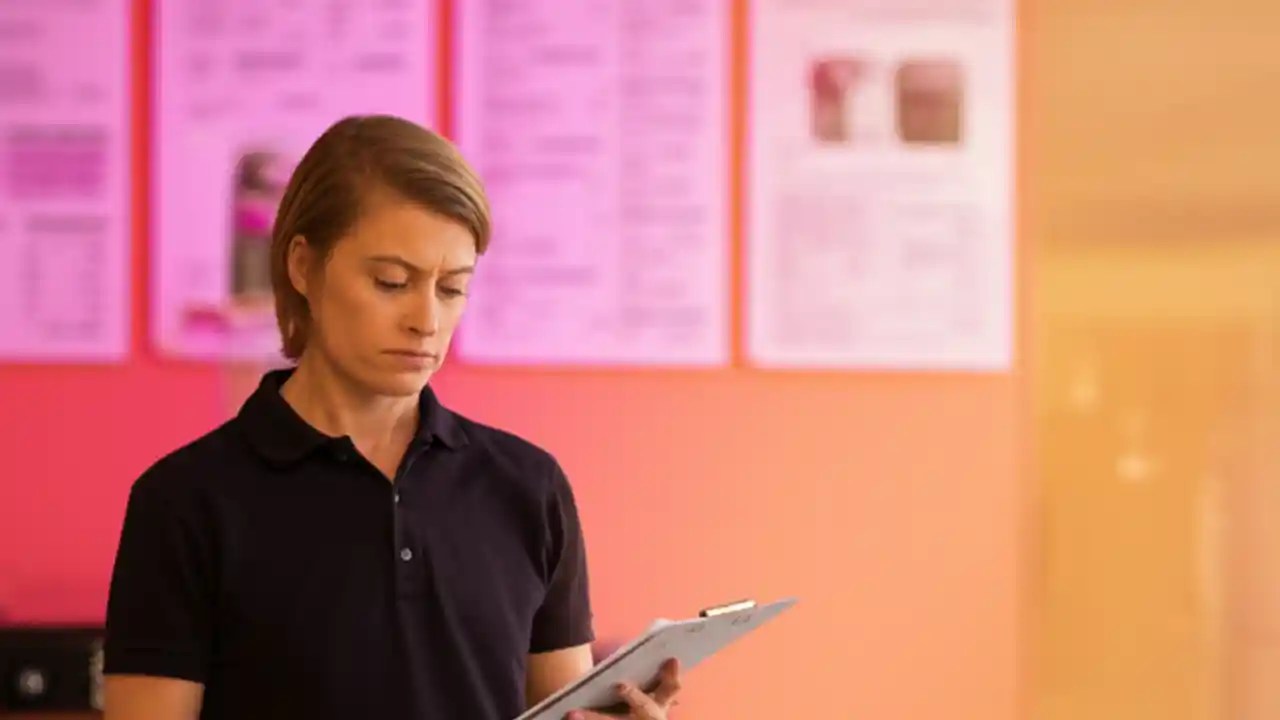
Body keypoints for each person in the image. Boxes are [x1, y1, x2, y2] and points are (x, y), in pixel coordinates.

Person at [102, 115, 682, 720]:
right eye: (392, 282)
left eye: (452, 288)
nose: (426, 321)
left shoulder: (529, 488)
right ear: (304, 267)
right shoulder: (184, 502)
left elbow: (561, 709)